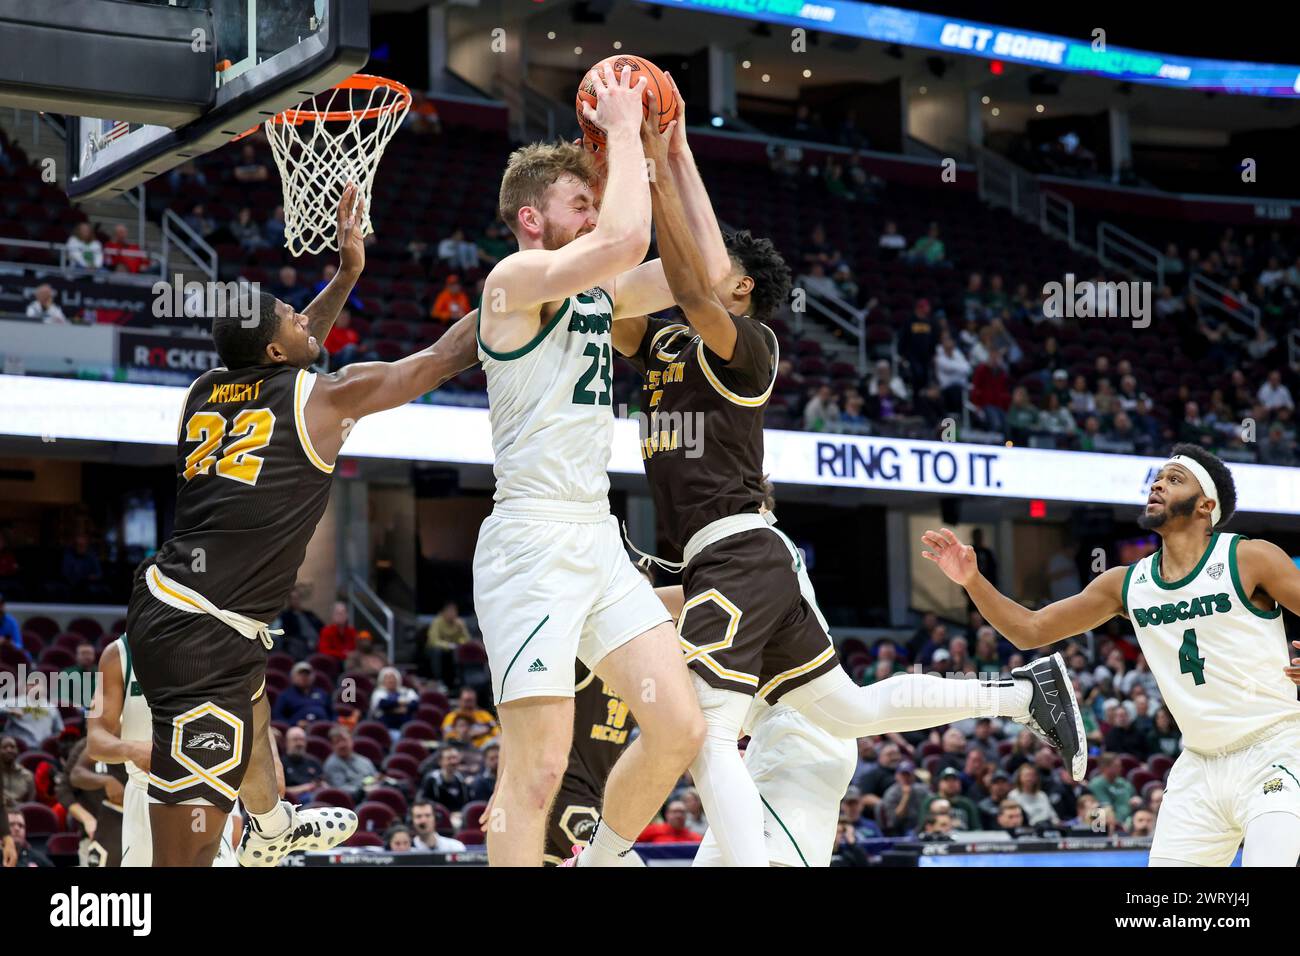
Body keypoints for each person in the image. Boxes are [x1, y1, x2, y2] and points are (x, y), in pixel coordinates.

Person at [614, 120, 1081, 866]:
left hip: (738, 549)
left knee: (701, 731)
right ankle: (1019, 694)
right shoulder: (667, 345)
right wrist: (623, 184)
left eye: (717, 262)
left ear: (742, 286)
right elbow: (615, 301)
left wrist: (663, 177)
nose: (700, 264)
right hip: (727, 559)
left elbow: (693, 289)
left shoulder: (750, 346)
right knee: (849, 708)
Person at [124, 184, 480, 866]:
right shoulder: (326, 398)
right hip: (202, 637)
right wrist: (516, 292)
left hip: (188, 608)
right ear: (274, 350)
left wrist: (347, 273)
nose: (303, 319)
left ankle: (270, 828)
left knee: (254, 711)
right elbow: (436, 361)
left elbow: (291, 347)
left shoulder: (207, 388)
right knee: (185, 855)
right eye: (291, 316)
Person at [473, 64, 716, 866]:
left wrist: (671, 153)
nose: (592, 213)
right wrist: (618, 131)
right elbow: (625, 240)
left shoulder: (599, 292)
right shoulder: (513, 281)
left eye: (593, 203)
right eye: (579, 202)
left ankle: (599, 859)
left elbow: (706, 274)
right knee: (536, 772)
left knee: (679, 729)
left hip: (596, 537)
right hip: (532, 545)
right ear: (532, 218)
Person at [922, 443, 1300, 866]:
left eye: (1175, 479)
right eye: (1158, 478)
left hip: (1275, 750)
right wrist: (972, 580)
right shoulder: (1126, 583)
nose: (1158, 484)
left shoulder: (1249, 558)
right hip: (1198, 766)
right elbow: (1030, 630)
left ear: (1205, 506)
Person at [85, 634, 245, 866]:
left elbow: (254, 712)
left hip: (206, 791)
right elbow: (95, 740)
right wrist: (131, 749)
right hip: (143, 791)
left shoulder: (221, 641)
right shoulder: (120, 653)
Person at [542, 660, 637, 864]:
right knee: (622, 862)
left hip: (598, 797)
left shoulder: (640, 677)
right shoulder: (581, 661)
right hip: (563, 790)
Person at [322, 727, 376, 799]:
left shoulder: (365, 761)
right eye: (337, 742)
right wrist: (362, 791)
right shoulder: (331, 764)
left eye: (344, 740)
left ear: (351, 740)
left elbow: (376, 779)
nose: (342, 745)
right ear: (332, 745)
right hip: (351, 801)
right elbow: (339, 789)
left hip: (373, 795)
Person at [425, 600, 470, 681]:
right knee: (437, 651)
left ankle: (460, 679)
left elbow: (467, 640)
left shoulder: (459, 623)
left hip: (453, 650)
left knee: (462, 651)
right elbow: (433, 640)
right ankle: (438, 679)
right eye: (450, 611)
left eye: (454, 611)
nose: (452, 614)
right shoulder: (437, 622)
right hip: (437, 649)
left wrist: (461, 632)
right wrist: (448, 645)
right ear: (444, 612)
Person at [369, 666, 419, 736]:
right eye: (387, 678)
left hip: (406, 725)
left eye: (393, 678)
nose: (391, 681)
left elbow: (415, 704)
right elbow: (383, 704)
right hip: (386, 726)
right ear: (382, 680)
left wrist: (393, 708)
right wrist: (401, 703)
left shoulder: (407, 691)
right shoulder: (378, 693)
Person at [418, 745, 469, 812]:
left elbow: (465, 803)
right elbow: (423, 803)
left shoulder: (461, 779)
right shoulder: (431, 780)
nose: (453, 762)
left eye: (455, 758)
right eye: (449, 758)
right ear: (440, 761)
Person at [280, 726, 324, 802]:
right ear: (286, 743)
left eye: (302, 740)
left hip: (316, 796)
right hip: (293, 801)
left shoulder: (313, 762)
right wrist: (306, 788)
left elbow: (322, 782)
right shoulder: (280, 764)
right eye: (295, 740)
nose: (299, 743)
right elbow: (279, 791)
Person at [638, 799, 703, 844]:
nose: (678, 815)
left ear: (686, 815)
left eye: (682, 812)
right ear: (667, 814)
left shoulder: (696, 838)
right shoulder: (652, 830)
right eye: (674, 812)